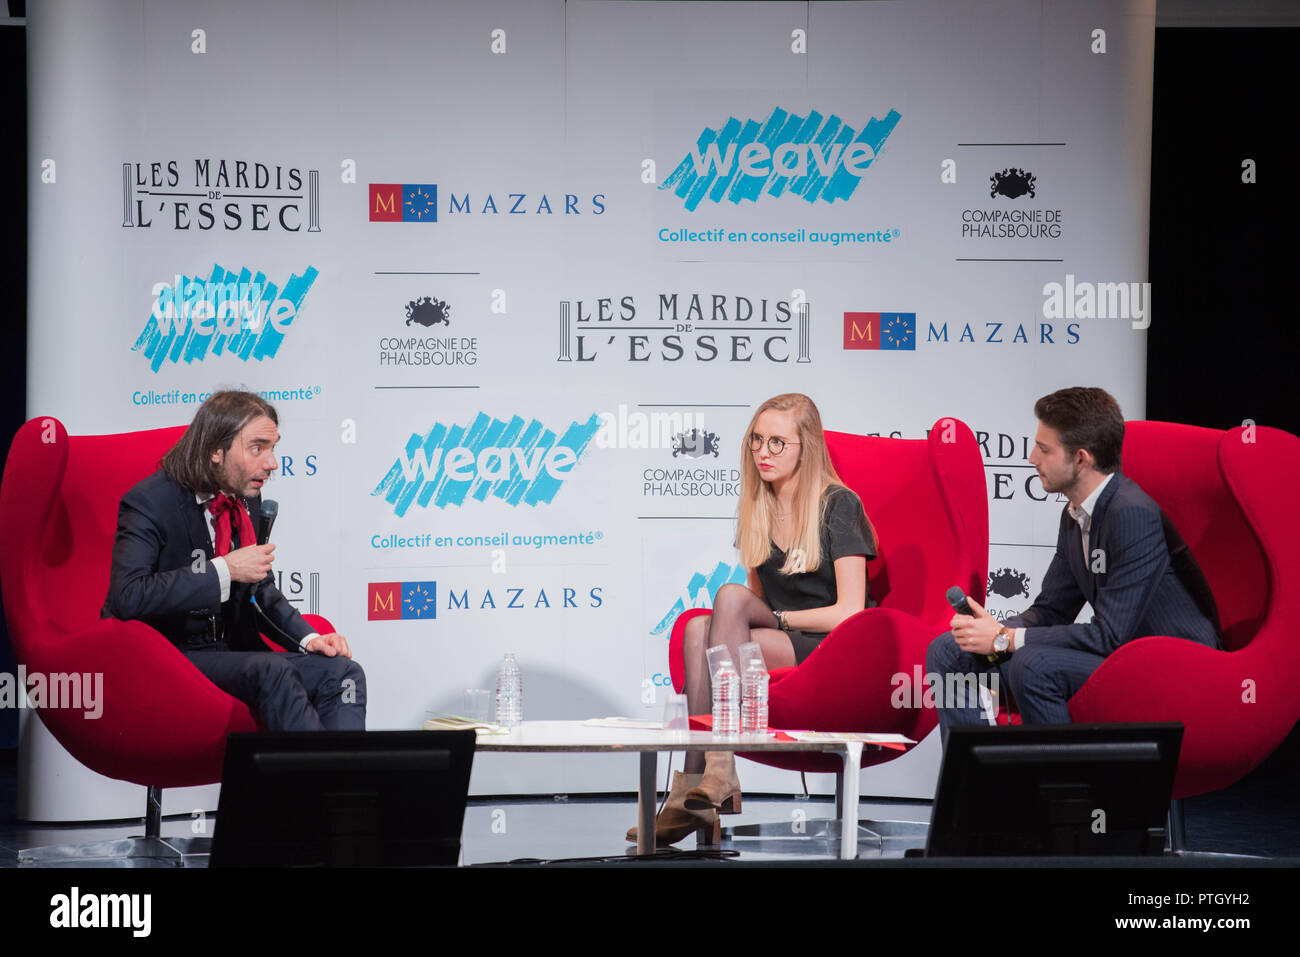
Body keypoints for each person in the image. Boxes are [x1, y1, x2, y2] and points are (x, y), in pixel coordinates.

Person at [629, 393, 876, 845]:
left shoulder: (839, 505)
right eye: (757, 440)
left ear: (807, 447)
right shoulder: (757, 506)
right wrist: (774, 620)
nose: (764, 452)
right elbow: (745, 611)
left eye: (778, 443)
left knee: (724, 601)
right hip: (780, 634)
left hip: (831, 645)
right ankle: (702, 781)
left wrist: (782, 618)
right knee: (699, 625)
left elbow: (851, 612)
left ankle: (708, 774)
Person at [926, 386, 1219, 731]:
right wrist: (988, 630)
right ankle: (976, 783)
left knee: (1033, 664)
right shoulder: (1075, 515)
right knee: (948, 651)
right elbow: (1052, 610)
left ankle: (1060, 784)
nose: (1032, 457)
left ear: (1081, 459)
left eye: (1044, 449)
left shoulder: (1131, 513)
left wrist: (1005, 637)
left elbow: (1109, 634)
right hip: (1118, 656)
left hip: (1173, 666)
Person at [102, 390, 366, 731]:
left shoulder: (246, 498)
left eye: (272, 448)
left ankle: (336, 782)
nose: (271, 463)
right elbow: (128, 597)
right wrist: (223, 571)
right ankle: (318, 784)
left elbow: (261, 587)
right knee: (273, 670)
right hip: (170, 658)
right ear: (216, 449)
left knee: (343, 672)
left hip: (233, 652)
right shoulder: (149, 502)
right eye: (258, 448)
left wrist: (309, 639)